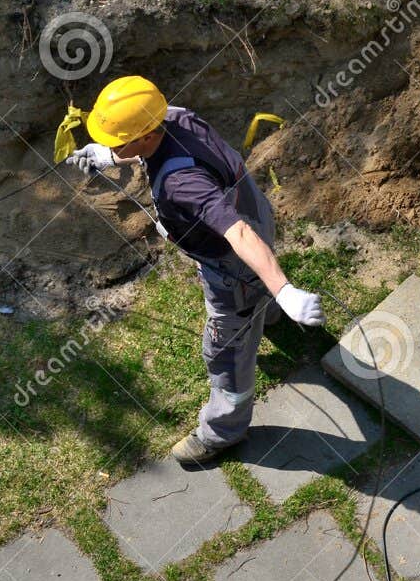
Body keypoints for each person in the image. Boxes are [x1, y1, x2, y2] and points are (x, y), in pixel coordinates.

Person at [66, 75, 325, 464]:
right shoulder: (176, 116)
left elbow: (236, 232)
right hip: (255, 210)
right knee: (260, 279)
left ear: (143, 136)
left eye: (117, 140)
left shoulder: (182, 184)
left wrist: (284, 288)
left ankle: (223, 431)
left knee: (224, 351)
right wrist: (109, 156)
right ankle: (270, 311)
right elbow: (150, 144)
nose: (112, 145)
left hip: (233, 257)